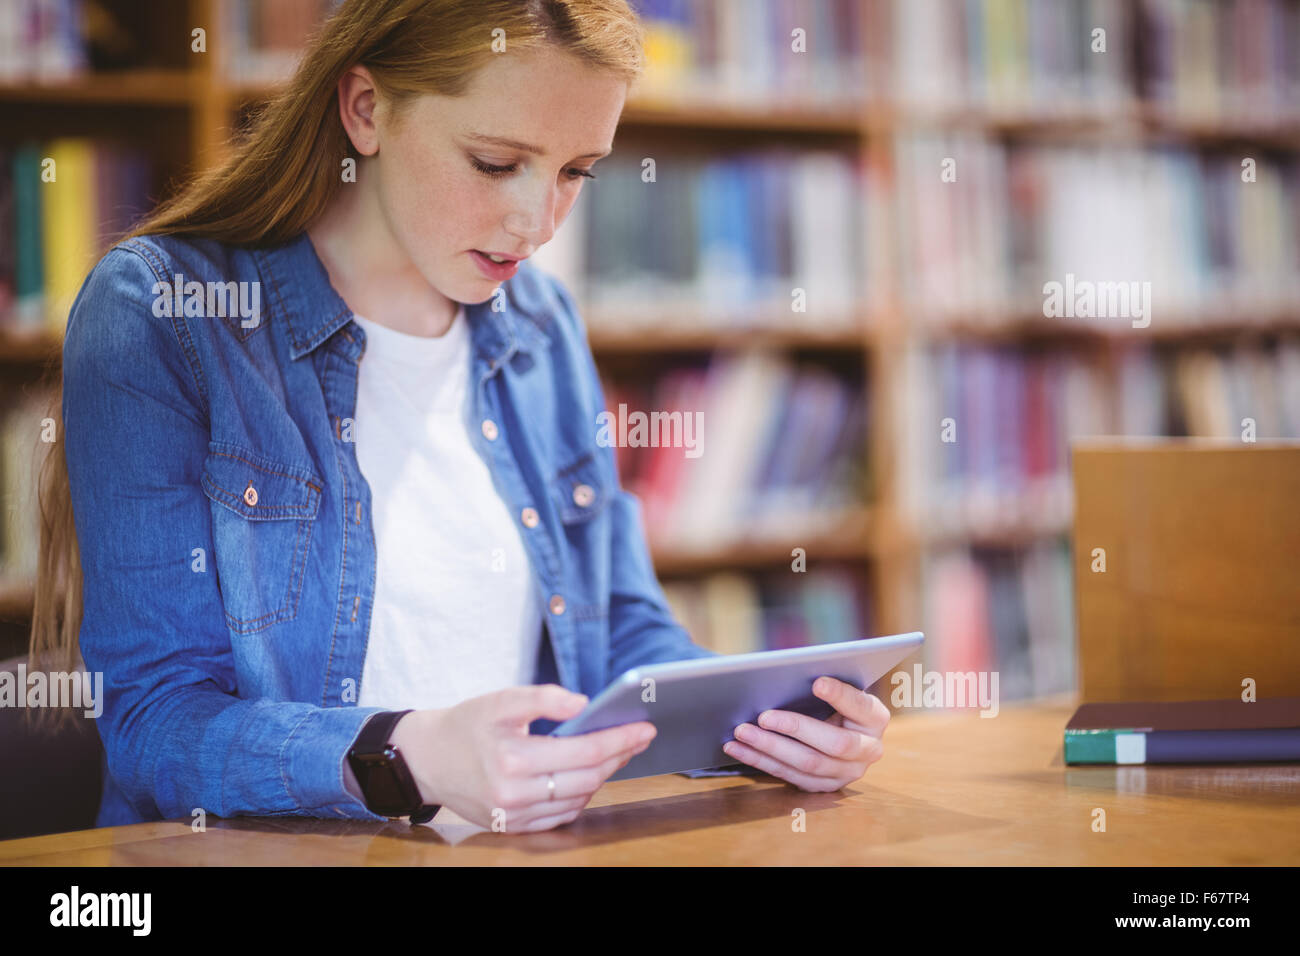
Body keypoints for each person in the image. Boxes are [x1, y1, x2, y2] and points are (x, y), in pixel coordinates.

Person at [31, 0, 890, 834]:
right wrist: (411, 756)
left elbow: (623, 627)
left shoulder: (542, 324)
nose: (538, 223)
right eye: (495, 162)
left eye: (575, 172)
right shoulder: (164, 313)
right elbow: (154, 722)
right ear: (366, 109)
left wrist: (772, 724)